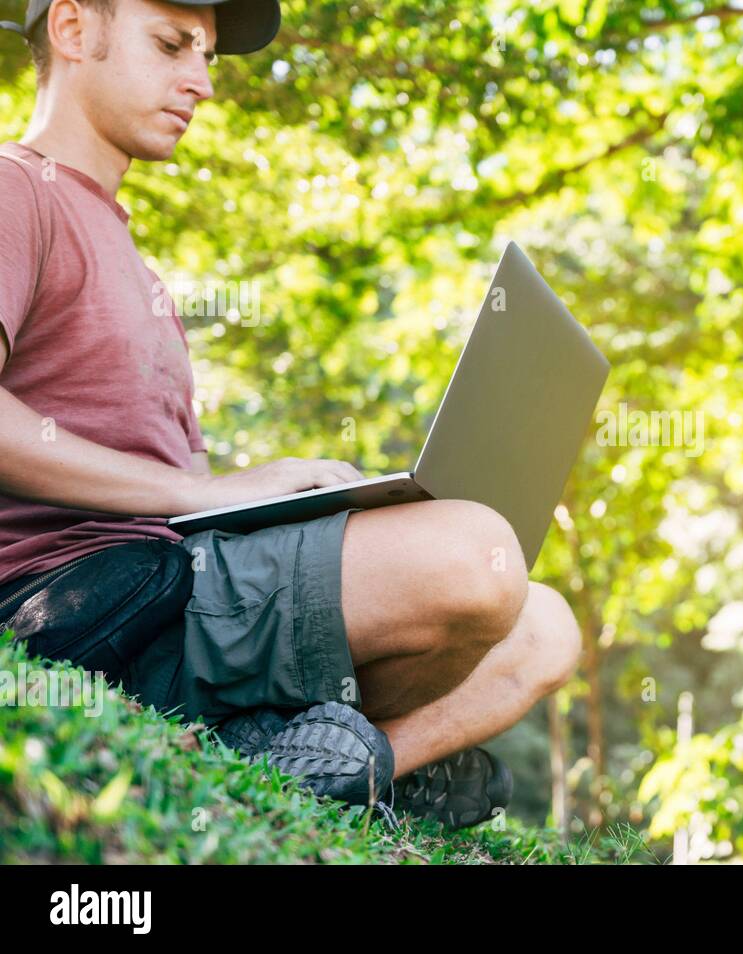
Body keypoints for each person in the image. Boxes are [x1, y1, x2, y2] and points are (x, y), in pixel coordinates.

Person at [0, 0, 583, 830]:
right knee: (475, 557)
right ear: (70, 29)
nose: (200, 82)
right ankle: (314, 753)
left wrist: (259, 502)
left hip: (178, 580)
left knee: (545, 628)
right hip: (87, 603)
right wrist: (210, 494)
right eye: (170, 46)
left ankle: (326, 761)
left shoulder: (132, 256)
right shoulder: (17, 189)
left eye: (205, 55)